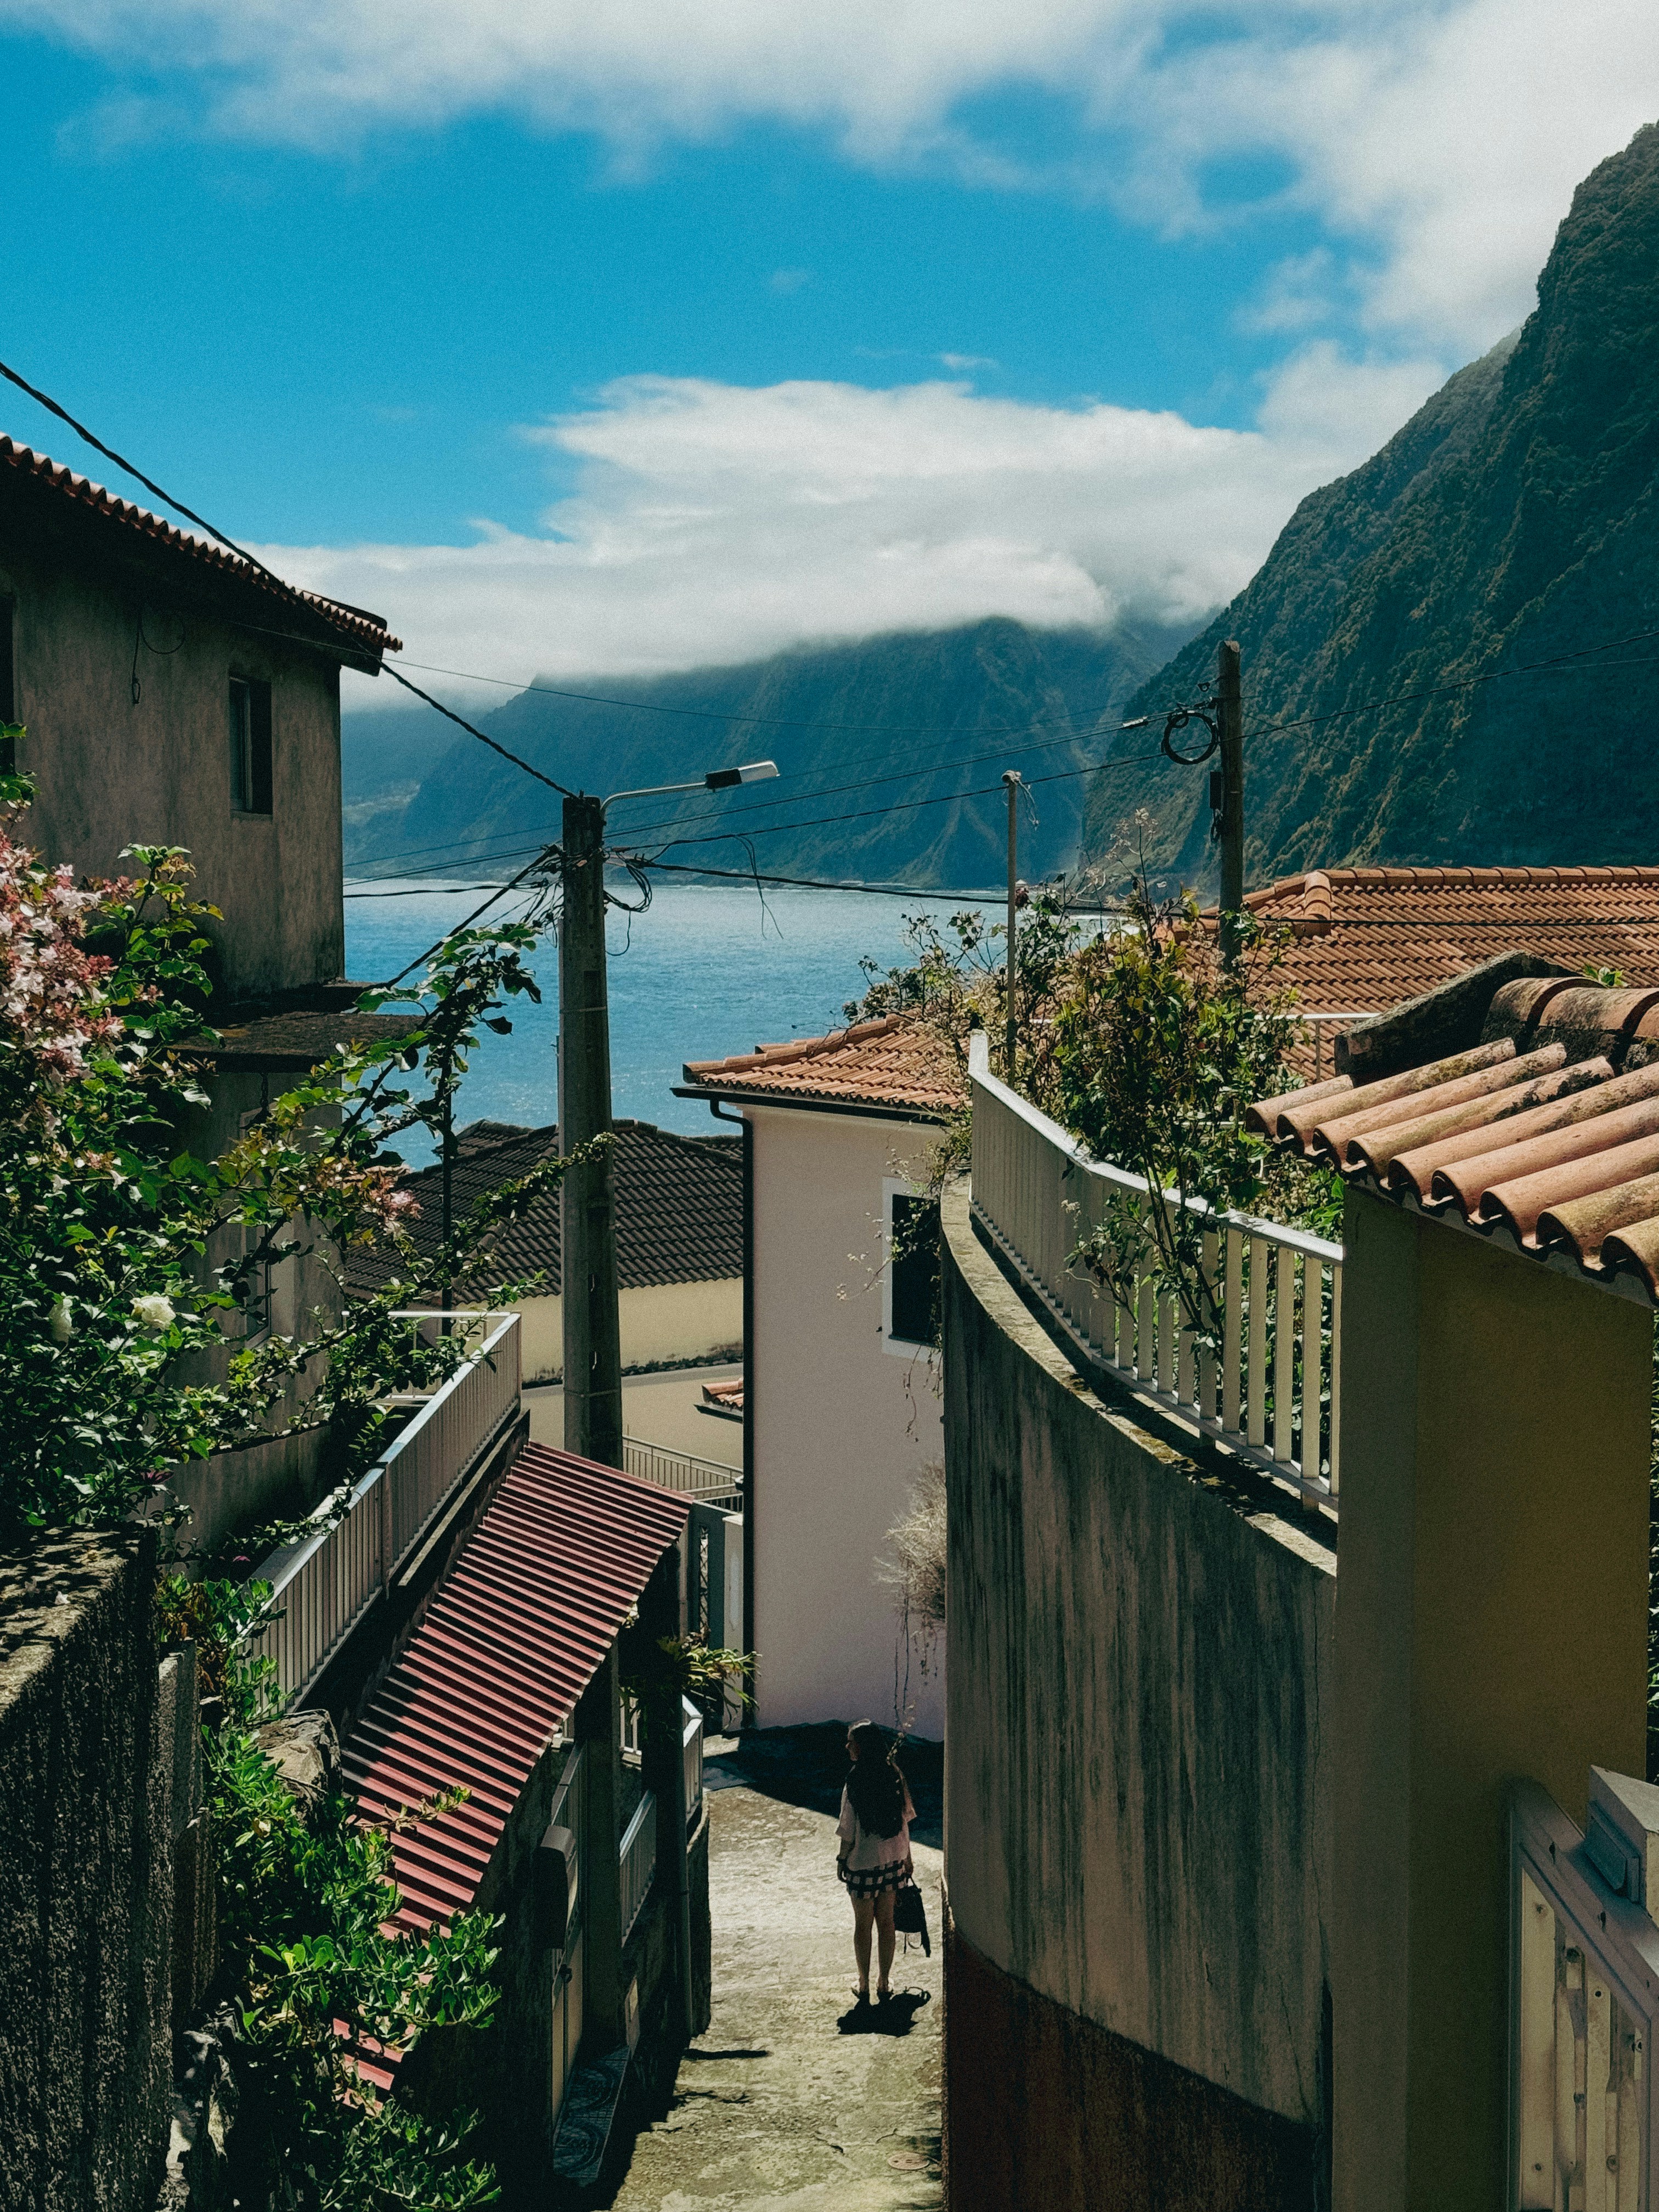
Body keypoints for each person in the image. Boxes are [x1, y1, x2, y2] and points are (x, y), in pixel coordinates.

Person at [835, 1719, 916, 2006]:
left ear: (861, 1746)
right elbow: (905, 1818)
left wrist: (841, 1859)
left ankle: (864, 1983)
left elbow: (848, 1829)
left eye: (850, 1742)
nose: (847, 1747)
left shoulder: (855, 1780)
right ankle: (884, 1981)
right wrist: (907, 1858)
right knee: (887, 1922)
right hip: (893, 1860)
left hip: (864, 1862)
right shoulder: (894, 1775)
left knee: (863, 1925)